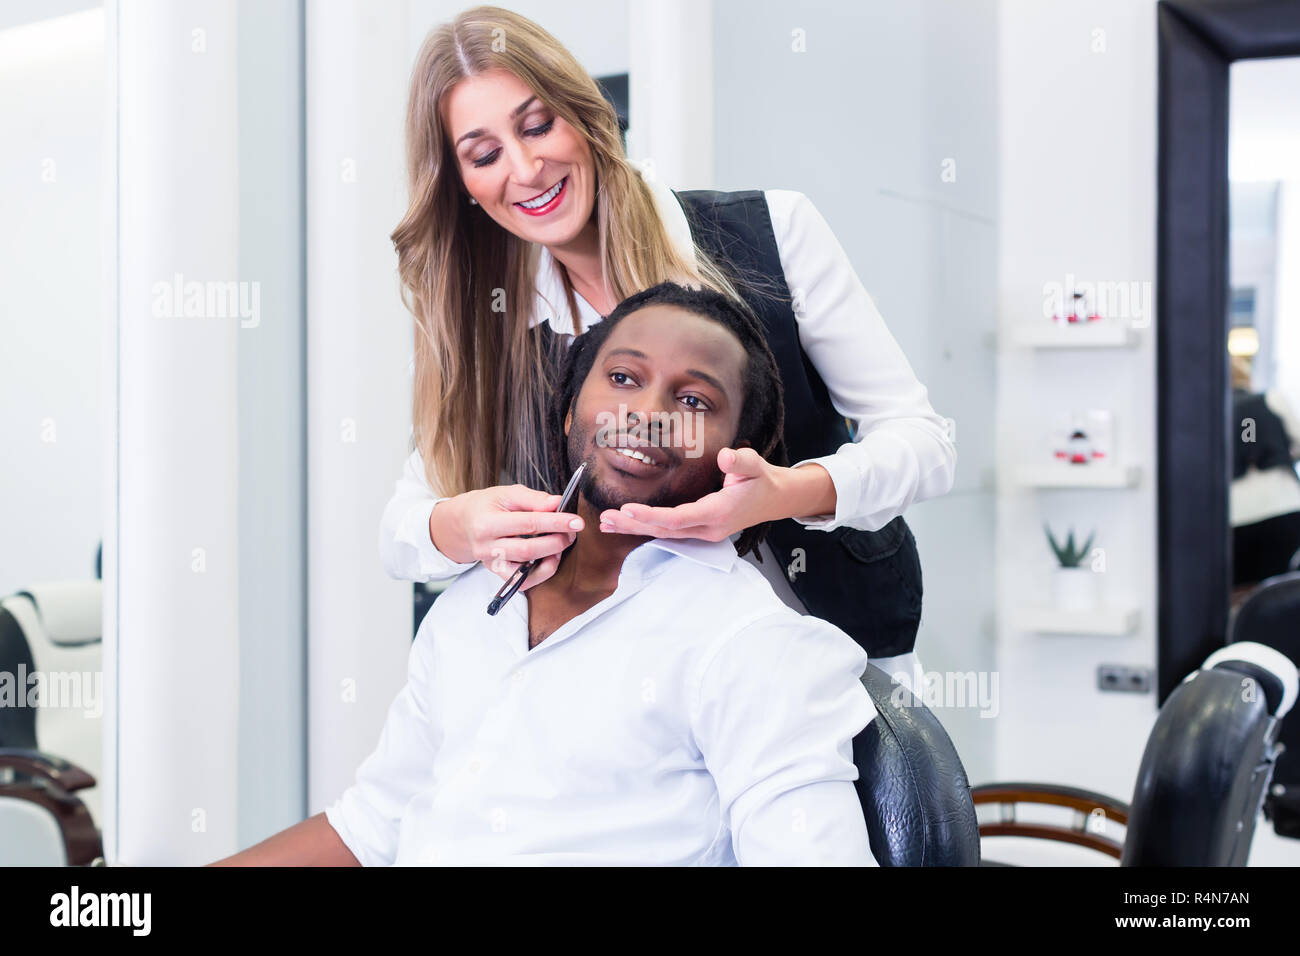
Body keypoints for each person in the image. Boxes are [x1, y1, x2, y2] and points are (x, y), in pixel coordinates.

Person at [380, 6, 956, 689]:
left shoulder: (775, 233)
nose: (527, 167)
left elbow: (925, 446)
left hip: (833, 667)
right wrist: (462, 525)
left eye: (538, 125)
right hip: (638, 702)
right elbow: (402, 531)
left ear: (586, 115)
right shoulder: (493, 329)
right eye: (484, 154)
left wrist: (784, 493)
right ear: (463, 185)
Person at [210, 283, 877, 866]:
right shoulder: (475, 604)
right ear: (569, 410)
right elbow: (372, 828)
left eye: (694, 401)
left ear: (741, 459)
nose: (644, 412)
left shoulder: (749, 644)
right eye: (622, 378)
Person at [1231, 354, 1300, 588]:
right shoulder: (1271, 399)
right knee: (1284, 591)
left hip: (1236, 515)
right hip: (1284, 507)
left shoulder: (1208, 415)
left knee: (1243, 594)